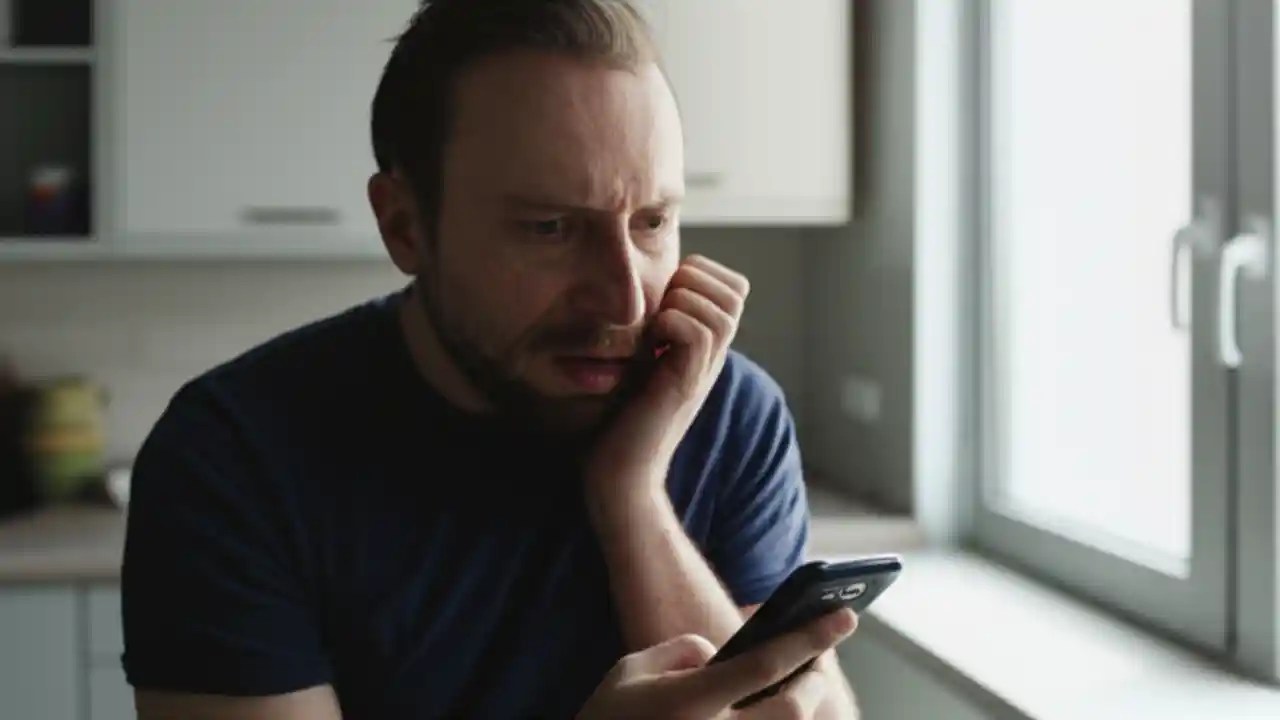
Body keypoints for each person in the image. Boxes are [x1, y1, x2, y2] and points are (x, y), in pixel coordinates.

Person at [121, 0, 861, 718]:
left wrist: (630, 493)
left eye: (652, 221)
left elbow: (808, 713)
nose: (626, 303)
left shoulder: (725, 408)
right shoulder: (235, 457)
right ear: (405, 226)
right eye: (550, 228)